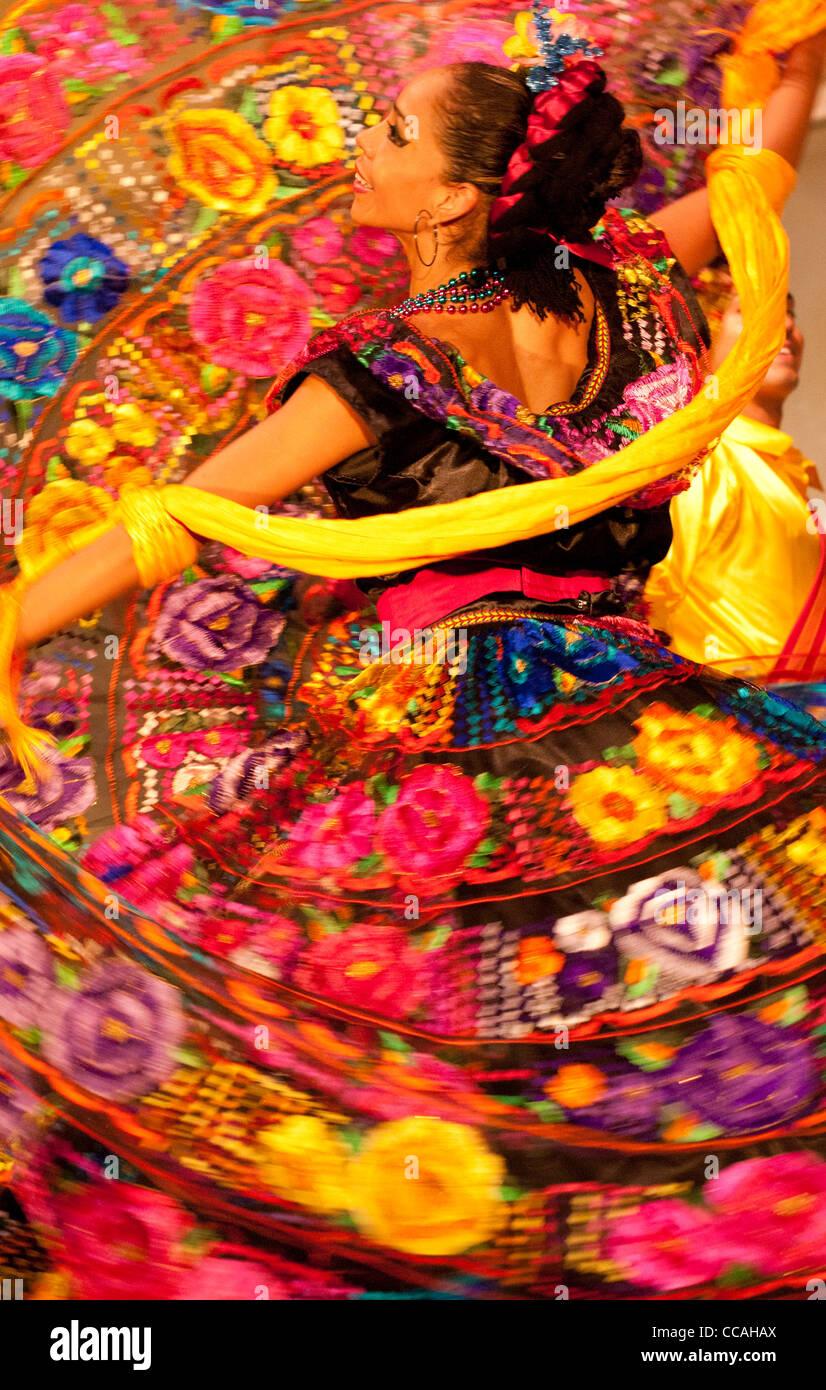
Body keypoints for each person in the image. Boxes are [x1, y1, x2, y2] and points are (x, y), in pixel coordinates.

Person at [2, 22, 826, 1301]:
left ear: (452, 193)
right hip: (624, 700)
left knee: (359, 1026)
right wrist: (795, 60)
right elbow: (757, 178)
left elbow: (162, 526)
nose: (356, 144)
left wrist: (4, 626)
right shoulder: (628, 283)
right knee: (586, 1026)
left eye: (387, 130)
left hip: (433, 729)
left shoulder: (388, 371)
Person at [646, 277, 826, 702]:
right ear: (702, 337)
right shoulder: (700, 458)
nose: (782, 326)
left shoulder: (790, 468)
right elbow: (648, 606)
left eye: (790, 313)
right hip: (730, 727)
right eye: (752, 311)